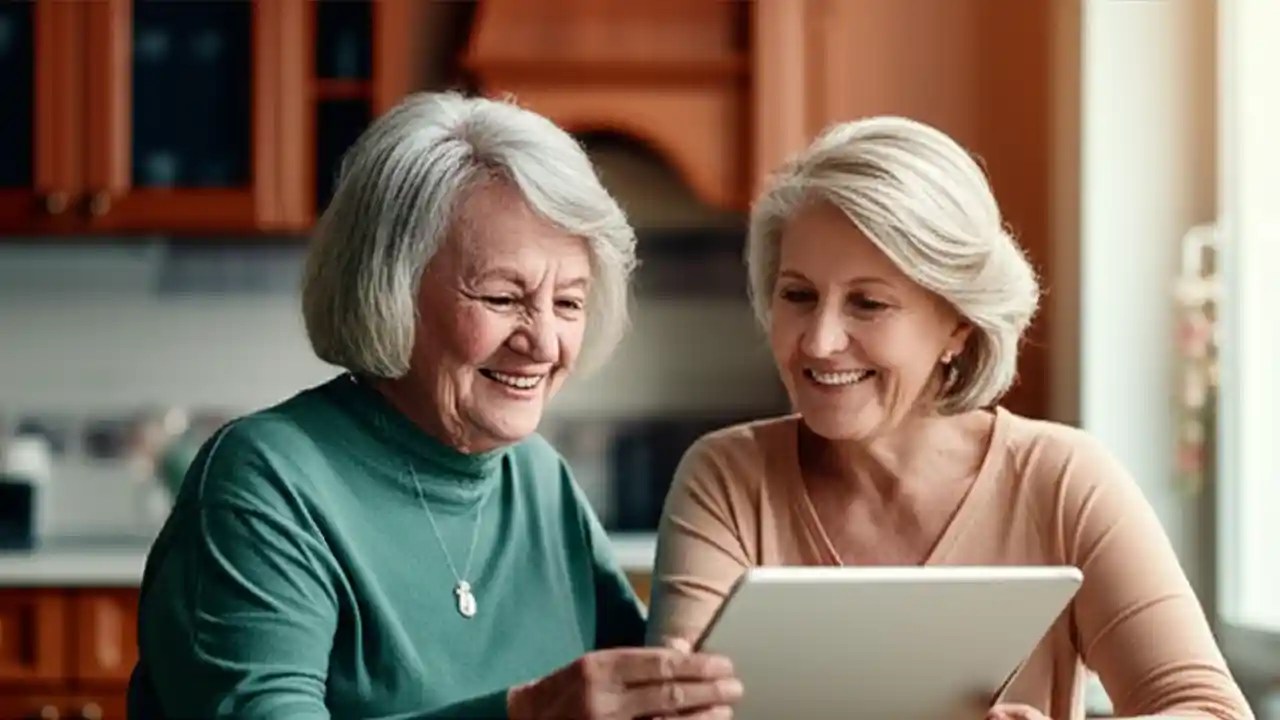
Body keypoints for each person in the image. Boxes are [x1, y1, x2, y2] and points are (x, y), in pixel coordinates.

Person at [127, 92, 743, 720]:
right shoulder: (265, 480)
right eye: (503, 298)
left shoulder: (537, 477)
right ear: (390, 287)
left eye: (568, 303)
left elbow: (641, 692)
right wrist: (522, 715)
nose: (544, 343)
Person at [645, 116, 1253, 720]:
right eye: (798, 295)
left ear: (958, 324)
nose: (820, 340)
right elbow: (676, 707)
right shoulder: (727, 478)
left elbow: (1208, 710)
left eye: (869, 303)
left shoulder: (1062, 481)